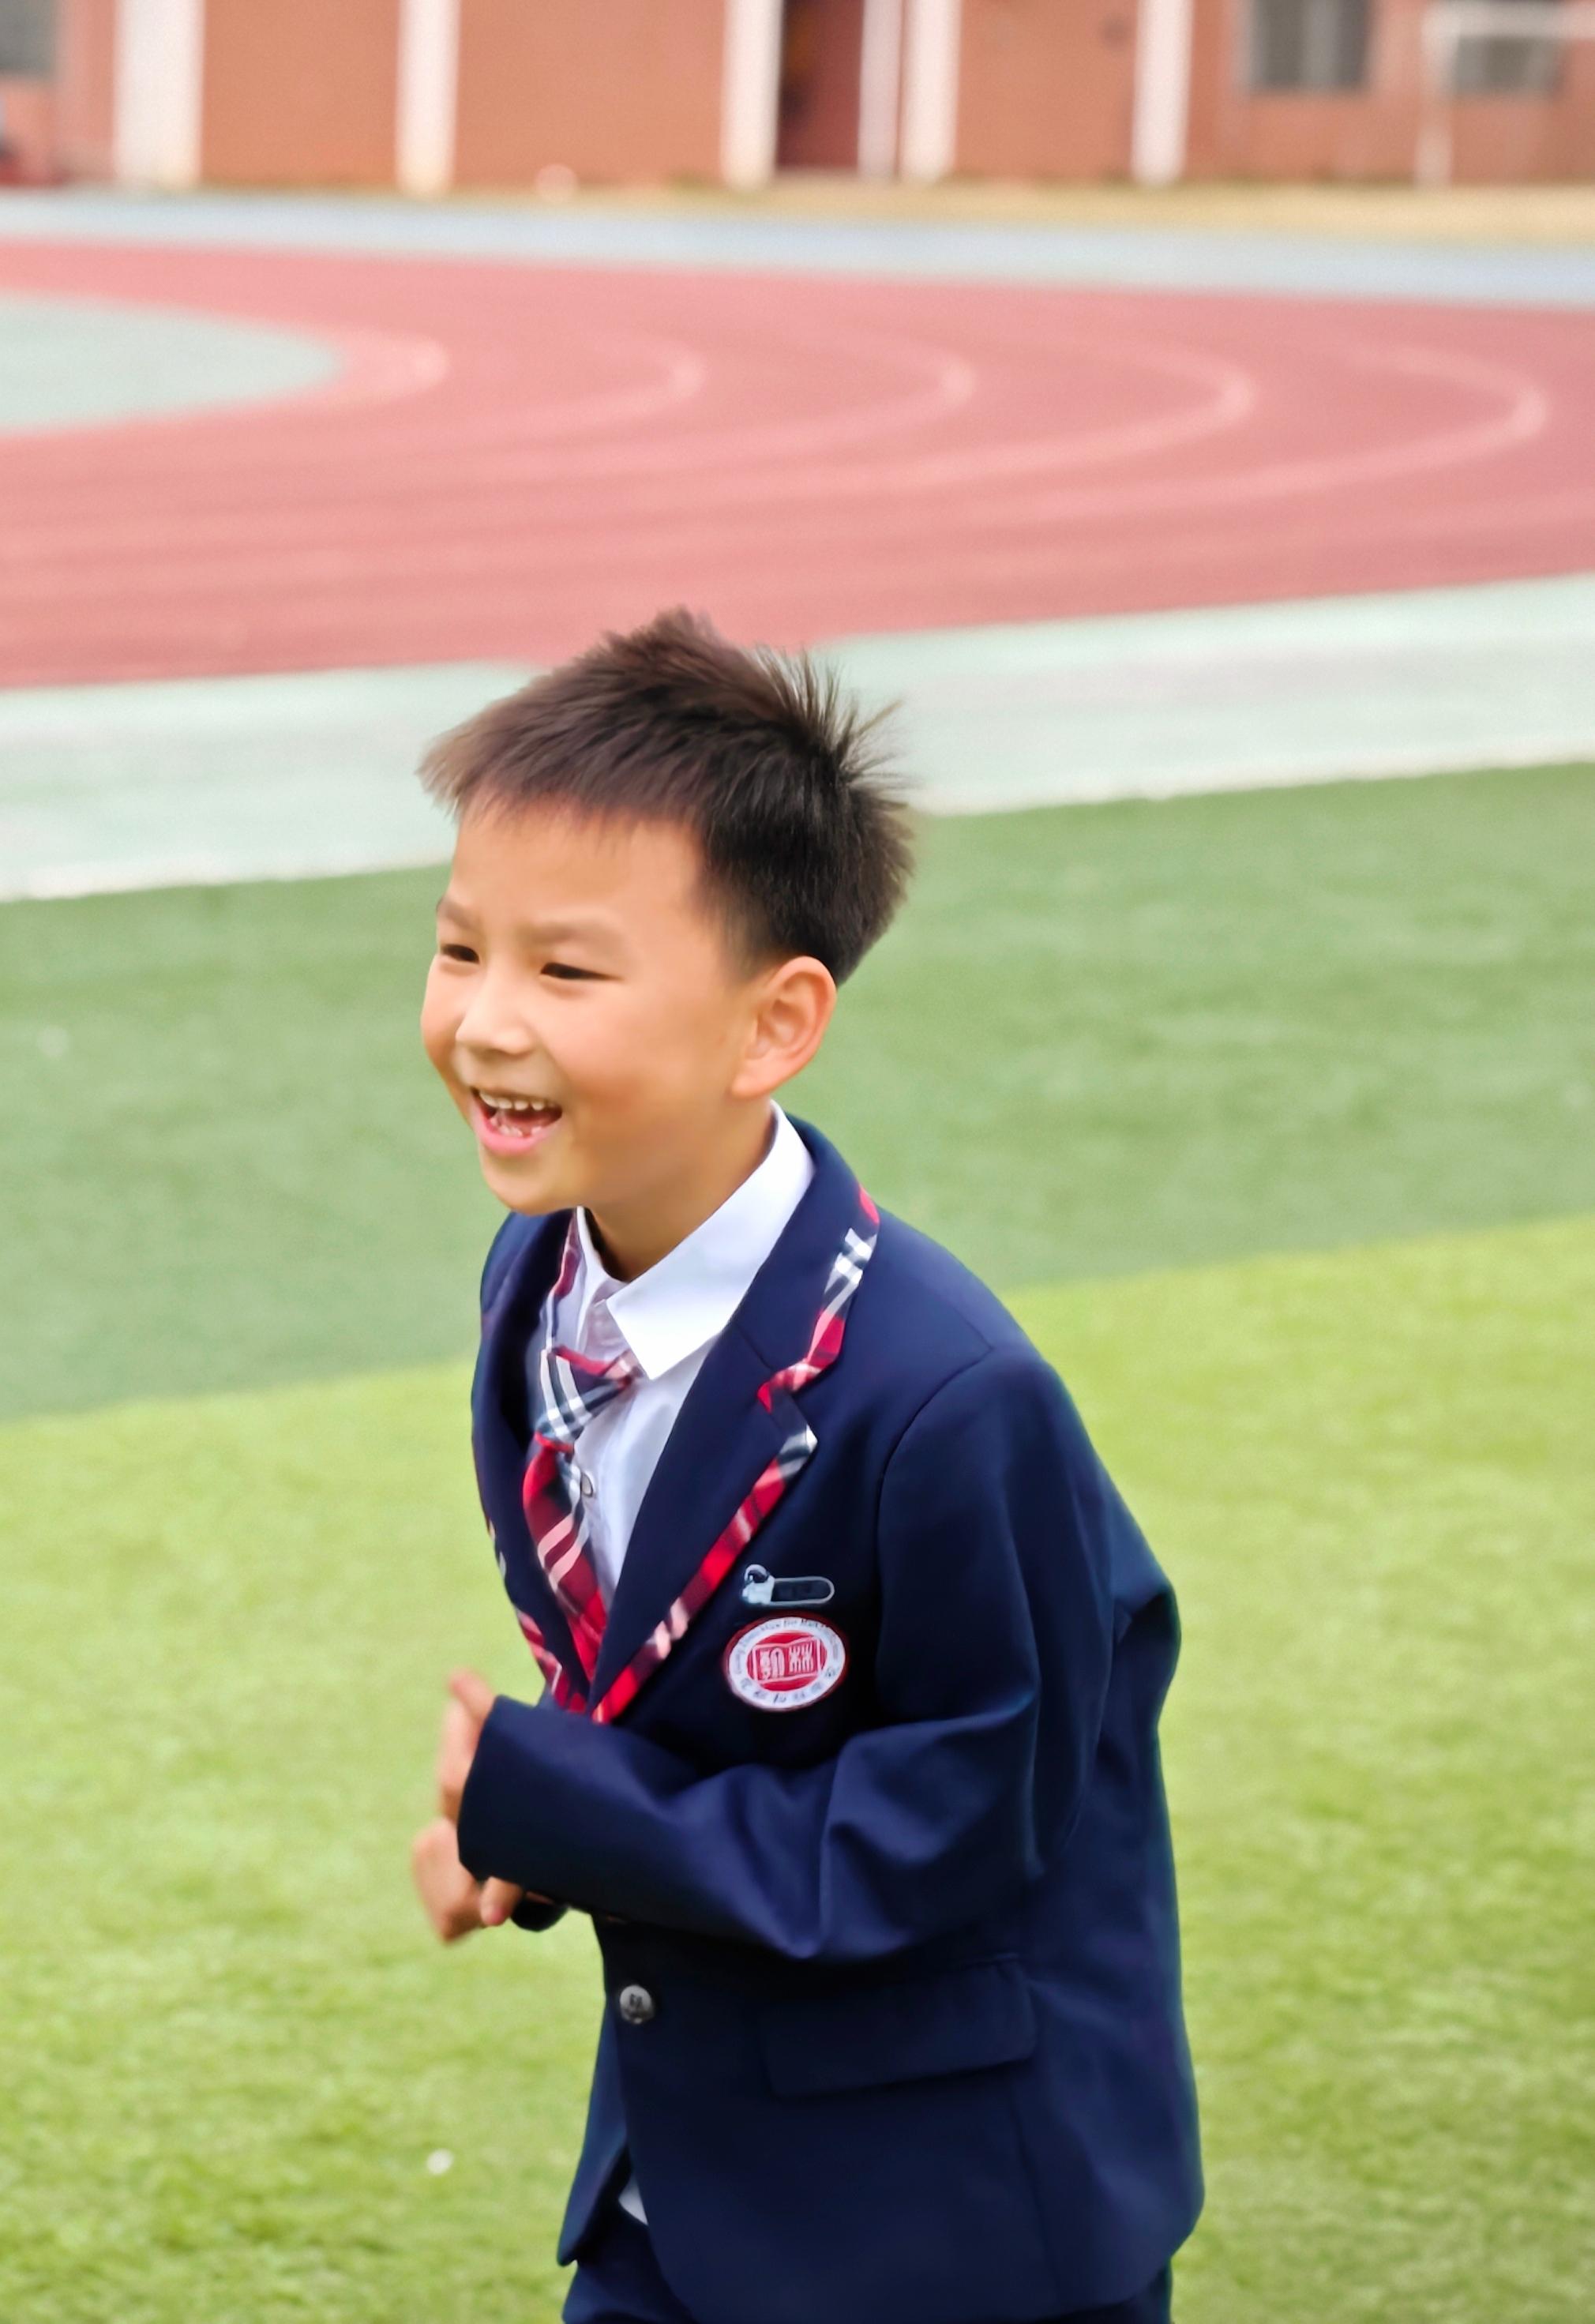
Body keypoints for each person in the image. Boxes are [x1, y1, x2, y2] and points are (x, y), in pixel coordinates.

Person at [406, 612, 1197, 2324]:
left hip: (957, 2224)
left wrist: (563, 1804)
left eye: (566, 972)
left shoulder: (949, 1398)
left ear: (772, 1025)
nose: (482, 1021)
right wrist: (545, 1831)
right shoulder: (538, 1275)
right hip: (687, 2186)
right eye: (459, 947)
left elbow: (961, 1829)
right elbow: (670, 1672)